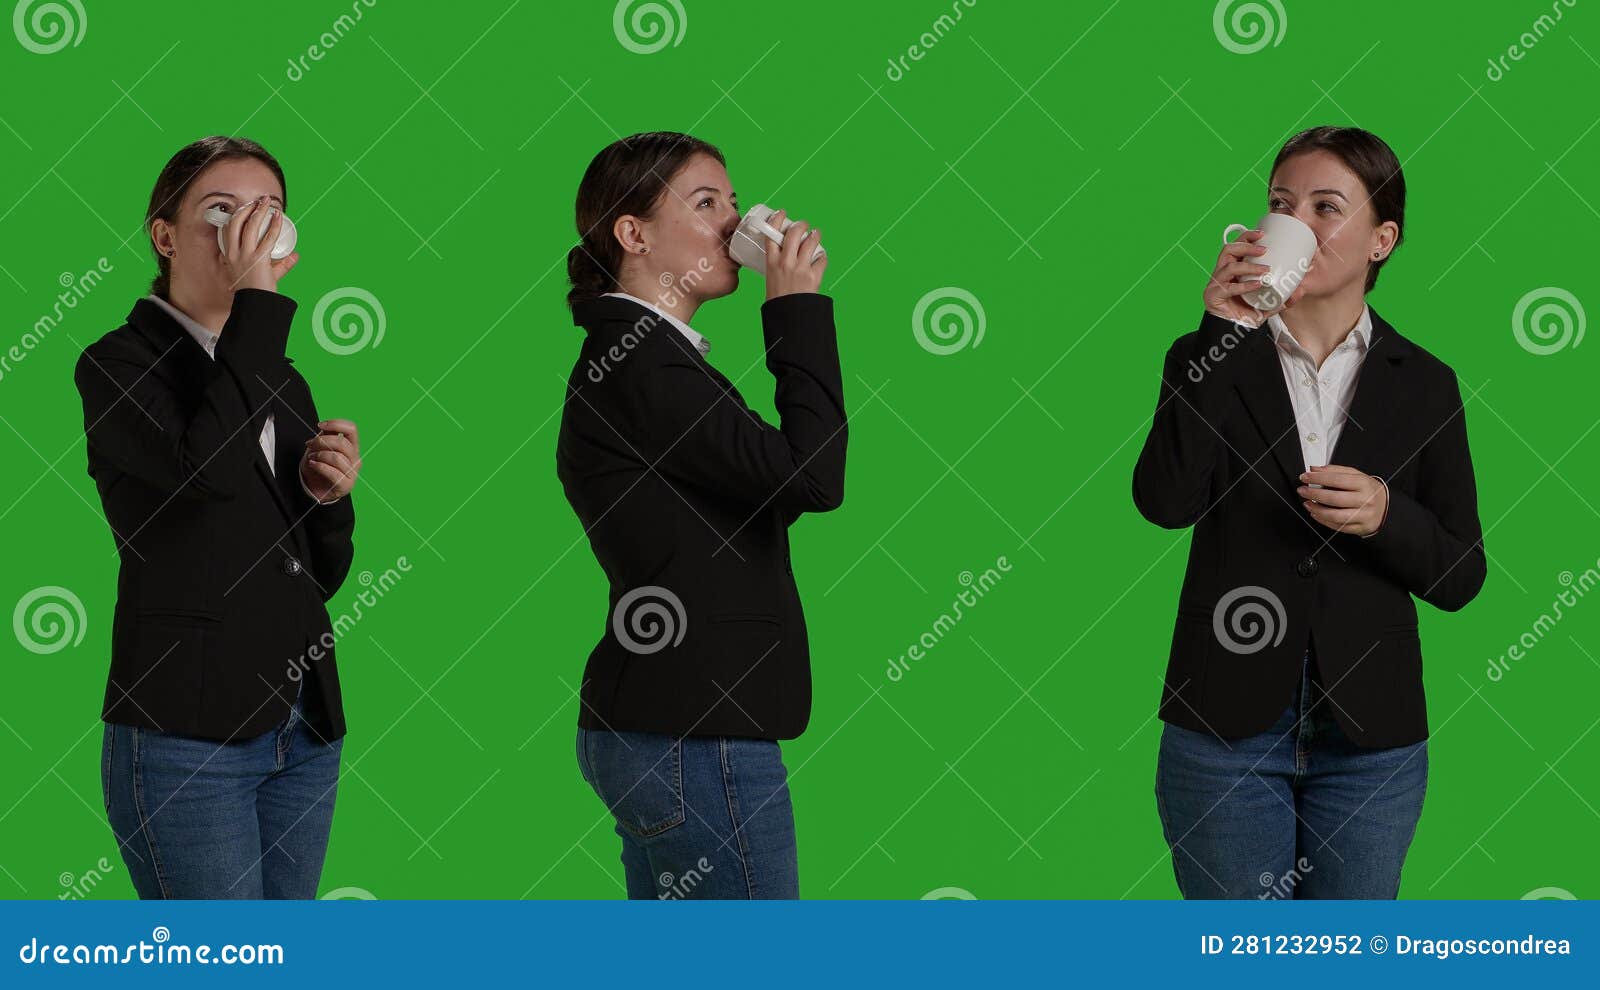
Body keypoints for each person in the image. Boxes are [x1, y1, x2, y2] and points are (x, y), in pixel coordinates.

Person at [1132, 126, 1485, 899]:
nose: (1295, 221)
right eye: (1280, 205)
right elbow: (1165, 502)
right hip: (1222, 731)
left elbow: (1462, 573)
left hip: (1371, 744)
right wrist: (1225, 330)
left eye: (1327, 206)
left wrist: (1388, 515)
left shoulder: (1425, 382)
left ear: (1381, 239)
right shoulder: (1205, 357)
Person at [556, 131, 847, 899]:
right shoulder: (641, 362)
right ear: (633, 232)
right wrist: (798, 309)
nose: (733, 221)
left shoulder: (658, 359)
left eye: (734, 203)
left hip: (669, 727)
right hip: (695, 733)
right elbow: (812, 476)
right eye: (706, 201)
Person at [75, 136, 362, 899]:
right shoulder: (117, 363)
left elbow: (318, 574)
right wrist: (259, 304)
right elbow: (201, 471)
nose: (247, 229)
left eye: (266, 212)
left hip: (303, 727)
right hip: (185, 740)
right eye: (221, 211)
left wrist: (327, 503)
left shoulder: (281, 379)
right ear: (164, 235)